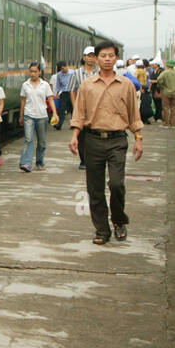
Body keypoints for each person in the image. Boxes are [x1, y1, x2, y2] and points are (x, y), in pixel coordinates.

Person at [69, 40, 143, 244]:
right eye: (103, 56)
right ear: (97, 58)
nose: (107, 59)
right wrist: (75, 136)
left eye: (111, 55)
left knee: (117, 184)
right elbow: (79, 113)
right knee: (95, 188)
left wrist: (138, 139)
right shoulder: (87, 85)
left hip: (117, 140)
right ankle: (102, 230)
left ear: (116, 58)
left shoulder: (126, 85)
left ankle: (119, 220)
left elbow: (134, 115)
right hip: (92, 139)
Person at [19, 62, 58, 171]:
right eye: (31, 71)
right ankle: (26, 163)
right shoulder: (25, 85)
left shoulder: (45, 85)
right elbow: (23, 100)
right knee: (28, 139)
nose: (33, 74)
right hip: (29, 115)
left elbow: (50, 98)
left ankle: (40, 162)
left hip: (42, 116)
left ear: (39, 72)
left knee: (41, 141)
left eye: (35, 71)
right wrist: (21, 116)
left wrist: (55, 113)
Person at [73, 46, 100, 169]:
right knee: (82, 135)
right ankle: (83, 160)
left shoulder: (99, 73)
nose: (91, 59)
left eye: (93, 56)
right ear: (84, 57)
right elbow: (72, 91)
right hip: (82, 109)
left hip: (97, 109)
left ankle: (93, 159)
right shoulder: (77, 73)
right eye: (89, 56)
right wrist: (75, 107)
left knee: (95, 135)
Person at [155, 63, 175, 127]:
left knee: (165, 108)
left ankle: (166, 124)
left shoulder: (165, 73)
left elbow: (158, 79)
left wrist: (161, 86)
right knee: (173, 108)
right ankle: (173, 124)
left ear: (167, 66)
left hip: (166, 92)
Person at [52, 61, 73, 129]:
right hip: (64, 93)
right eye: (61, 69)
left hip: (72, 92)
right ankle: (59, 125)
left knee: (73, 109)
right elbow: (58, 85)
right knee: (61, 109)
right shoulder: (59, 75)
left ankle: (74, 124)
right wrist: (57, 94)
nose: (63, 70)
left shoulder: (73, 73)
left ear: (66, 66)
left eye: (63, 68)